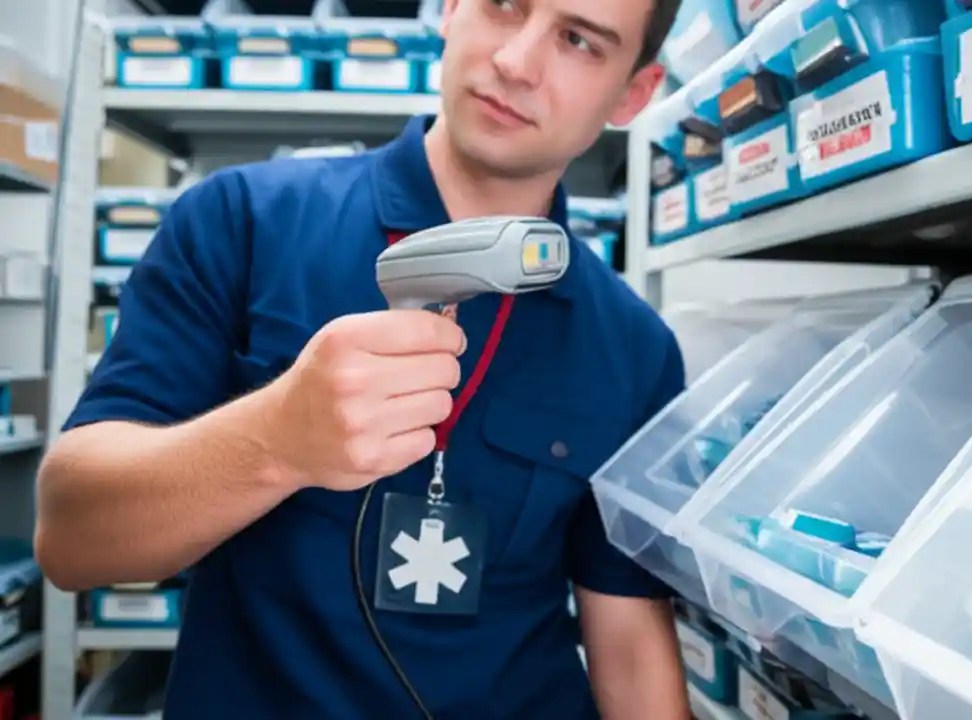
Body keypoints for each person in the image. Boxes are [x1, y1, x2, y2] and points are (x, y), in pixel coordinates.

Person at [35, 0, 691, 717]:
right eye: (505, 5)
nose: (516, 61)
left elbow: (626, 641)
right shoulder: (240, 222)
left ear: (633, 92)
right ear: (449, 9)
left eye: (577, 40)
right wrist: (277, 438)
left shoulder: (636, 348)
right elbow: (72, 541)